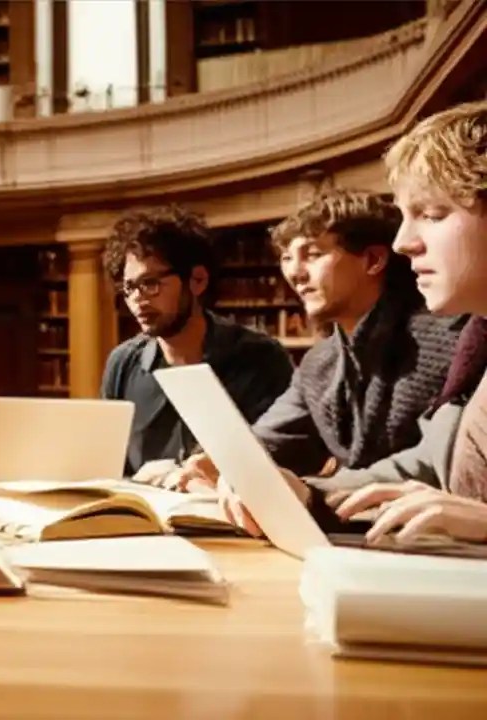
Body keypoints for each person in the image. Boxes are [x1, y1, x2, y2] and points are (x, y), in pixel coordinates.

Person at [219, 100, 487, 545]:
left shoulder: (452, 337)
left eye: (433, 215)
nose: (404, 242)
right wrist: (308, 495)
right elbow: (432, 465)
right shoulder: (477, 340)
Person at [164, 190, 461, 490]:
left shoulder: (450, 340)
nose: (294, 273)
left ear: (372, 260)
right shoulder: (320, 362)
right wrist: (219, 461)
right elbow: (274, 436)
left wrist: (315, 492)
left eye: (313, 255)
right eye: (287, 258)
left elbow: (437, 463)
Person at [100, 205, 293, 477]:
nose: (138, 300)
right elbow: (109, 465)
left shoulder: (261, 358)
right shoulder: (122, 363)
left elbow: (284, 457)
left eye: (151, 283)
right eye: (130, 288)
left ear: (198, 280)